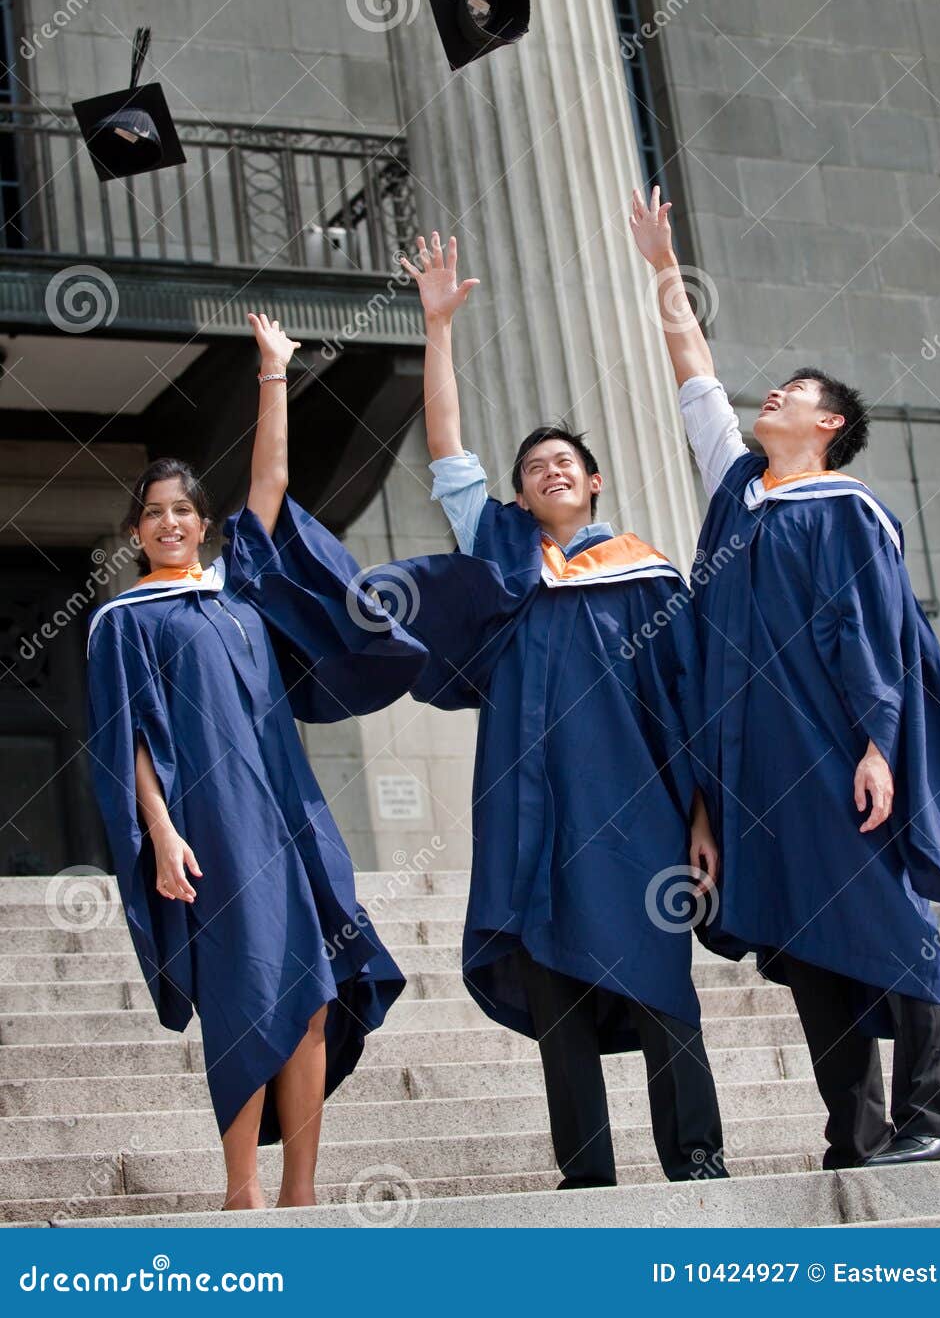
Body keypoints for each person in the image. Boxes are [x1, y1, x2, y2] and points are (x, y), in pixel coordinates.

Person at [629, 187, 940, 1170]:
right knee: (809, 941)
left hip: (836, 756)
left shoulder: (844, 508)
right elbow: (693, 373)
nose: (769, 394)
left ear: (827, 424)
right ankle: (855, 1132)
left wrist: (878, 745)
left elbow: (874, 630)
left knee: (887, 919)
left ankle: (937, 1119)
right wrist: (664, 265)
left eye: (792, 390)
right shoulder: (740, 494)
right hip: (752, 768)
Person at [373, 230, 727, 1191]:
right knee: (555, 986)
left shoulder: (647, 574)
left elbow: (685, 708)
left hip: (637, 814)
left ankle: (695, 1157)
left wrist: (700, 814)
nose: (549, 469)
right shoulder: (501, 557)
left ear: (595, 479)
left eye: (566, 459)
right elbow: (448, 450)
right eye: (534, 465)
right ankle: (586, 1175)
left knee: (658, 982)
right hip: (530, 810)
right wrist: (435, 328)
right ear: (522, 494)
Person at [86, 312, 426, 1210]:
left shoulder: (237, 592)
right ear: (136, 531)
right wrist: (160, 836)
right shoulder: (124, 623)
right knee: (245, 999)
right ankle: (240, 1191)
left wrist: (274, 370)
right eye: (152, 514)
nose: (169, 523)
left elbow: (269, 481)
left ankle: (299, 1192)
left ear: (202, 525)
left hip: (288, 812)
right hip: (211, 828)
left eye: (182, 511)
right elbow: (125, 744)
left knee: (314, 991)